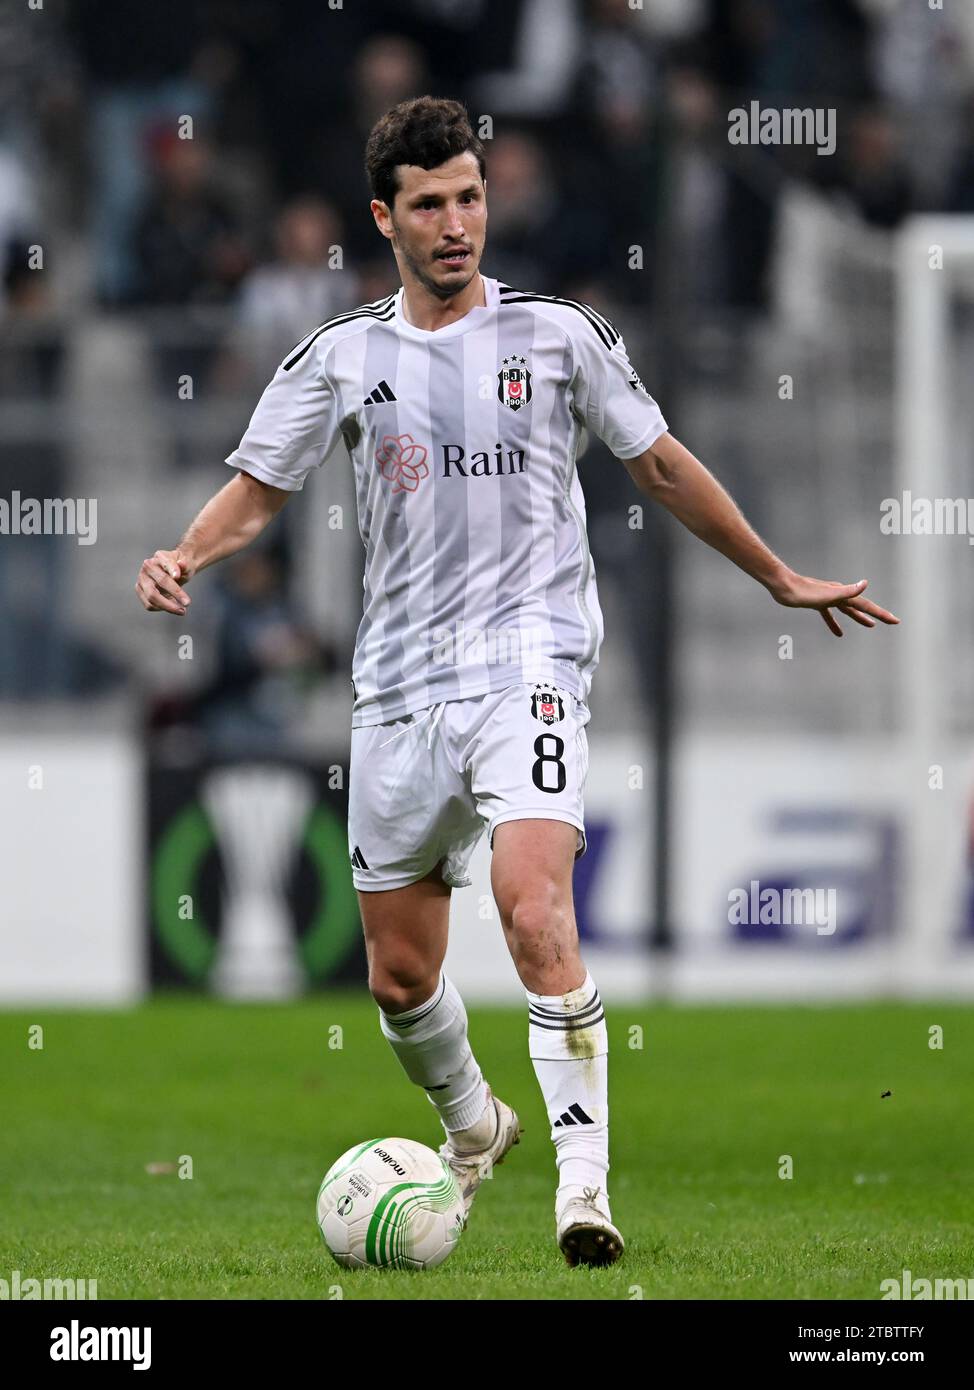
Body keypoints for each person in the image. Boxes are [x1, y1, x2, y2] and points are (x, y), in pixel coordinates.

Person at [135, 95, 899, 1267]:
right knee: (398, 975)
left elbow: (659, 463)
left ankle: (582, 1195)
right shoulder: (339, 356)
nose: (456, 224)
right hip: (394, 688)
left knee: (534, 908)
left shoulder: (558, 336)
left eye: (471, 197)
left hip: (527, 664)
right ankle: (472, 1122)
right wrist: (189, 550)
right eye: (430, 205)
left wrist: (775, 573)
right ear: (384, 218)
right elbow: (260, 485)